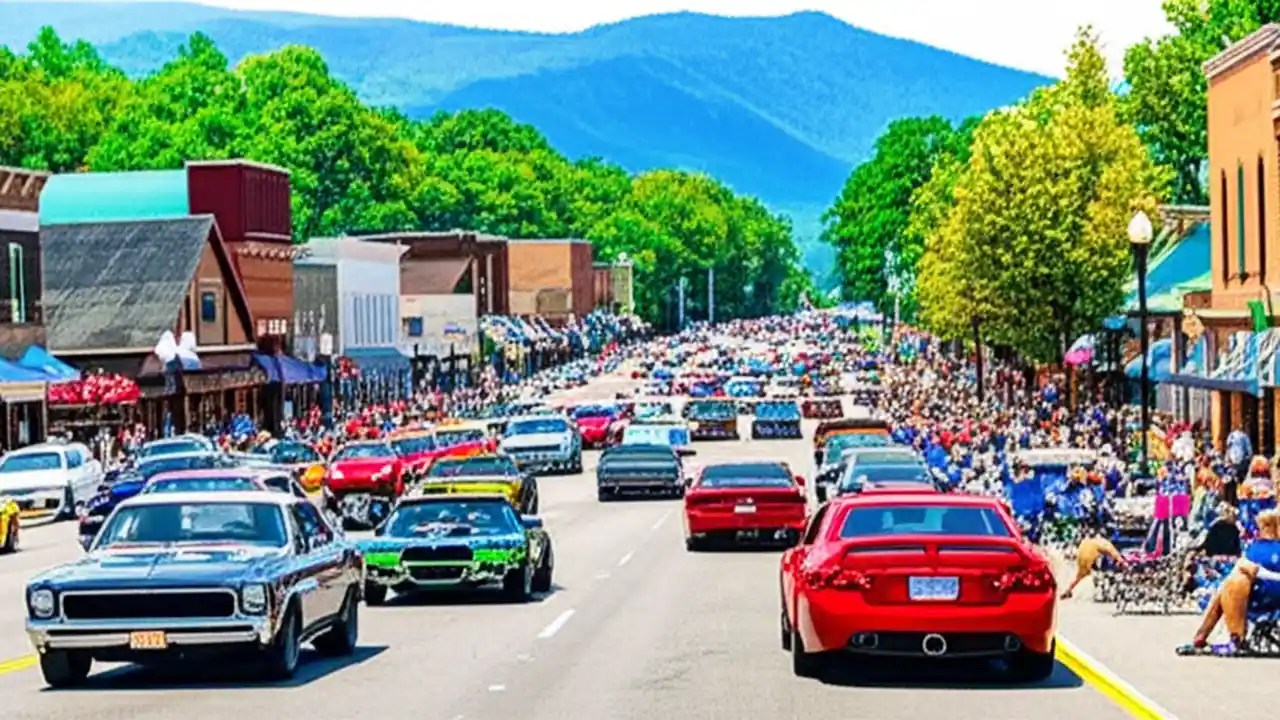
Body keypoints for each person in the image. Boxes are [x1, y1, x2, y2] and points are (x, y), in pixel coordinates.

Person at [1178, 509, 1280, 654]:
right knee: (1232, 582)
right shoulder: (1260, 547)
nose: (1259, 529)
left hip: (1267, 593)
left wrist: (1258, 571)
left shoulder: (1263, 548)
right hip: (1263, 591)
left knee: (1234, 582)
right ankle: (1202, 636)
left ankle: (1232, 638)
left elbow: (1252, 567)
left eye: (1263, 526)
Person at [1060, 524, 1129, 600]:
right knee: (1105, 574)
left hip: (1082, 559)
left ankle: (1068, 590)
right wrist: (1122, 562)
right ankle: (1106, 592)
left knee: (1079, 576)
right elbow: (1114, 553)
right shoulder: (1104, 542)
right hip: (1090, 561)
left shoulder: (1088, 540)